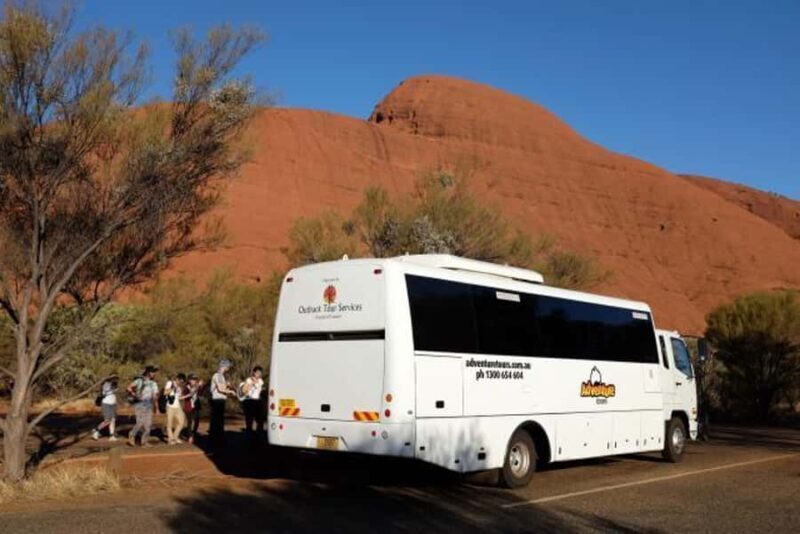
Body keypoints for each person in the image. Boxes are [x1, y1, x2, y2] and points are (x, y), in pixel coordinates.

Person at [127, 365, 159, 447]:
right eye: (153, 372)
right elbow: (129, 387)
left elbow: (155, 396)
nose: (154, 374)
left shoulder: (154, 384)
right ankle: (132, 434)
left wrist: (156, 406)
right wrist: (134, 395)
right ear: (148, 373)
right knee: (140, 422)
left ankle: (144, 442)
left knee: (148, 424)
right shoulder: (139, 381)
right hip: (140, 403)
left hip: (148, 404)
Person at [209, 359, 235, 446]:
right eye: (227, 366)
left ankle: (216, 440)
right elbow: (220, 389)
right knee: (217, 421)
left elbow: (222, 388)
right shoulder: (218, 375)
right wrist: (230, 392)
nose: (228, 368)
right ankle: (217, 440)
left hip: (220, 400)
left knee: (217, 421)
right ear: (224, 366)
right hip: (217, 401)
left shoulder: (222, 376)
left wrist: (228, 387)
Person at [241, 366, 265, 441]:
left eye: (260, 373)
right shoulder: (248, 380)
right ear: (254, 372)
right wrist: (251, 383)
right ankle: (249, 436)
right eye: (257, 372)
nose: (259, 374)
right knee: (249, 420)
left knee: (260, 420)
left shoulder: (261, 381)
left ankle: (259, 435)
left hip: (257, 401)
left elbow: (260, 390)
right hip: (250, 401)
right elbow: (244, 391)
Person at [164, 373, 189, 445]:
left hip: (177, 406)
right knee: (169, 424)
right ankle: (170, 439)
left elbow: (178, 397)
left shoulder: (179, 387)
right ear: (177, 379)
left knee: (181, 422)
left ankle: (175, 437)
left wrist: (187, 395)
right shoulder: (170, 383)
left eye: (182, 382)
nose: (181, 383)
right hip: (170, 406)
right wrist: (173, 388)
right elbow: (165, 392)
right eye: (181, 381)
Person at [184, 374, 204, 444]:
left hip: (196, 407)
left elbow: (201, 394)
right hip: (189, 407)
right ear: (189, 380)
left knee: (197, 422)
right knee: (190, 422)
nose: (194, 381)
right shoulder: (186, 388)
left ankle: (193, 434)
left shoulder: (197, 387)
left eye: (195, 380)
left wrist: (201, 386)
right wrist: (198, 386)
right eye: (192, 379)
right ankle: (190, 436)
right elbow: (190, 394)